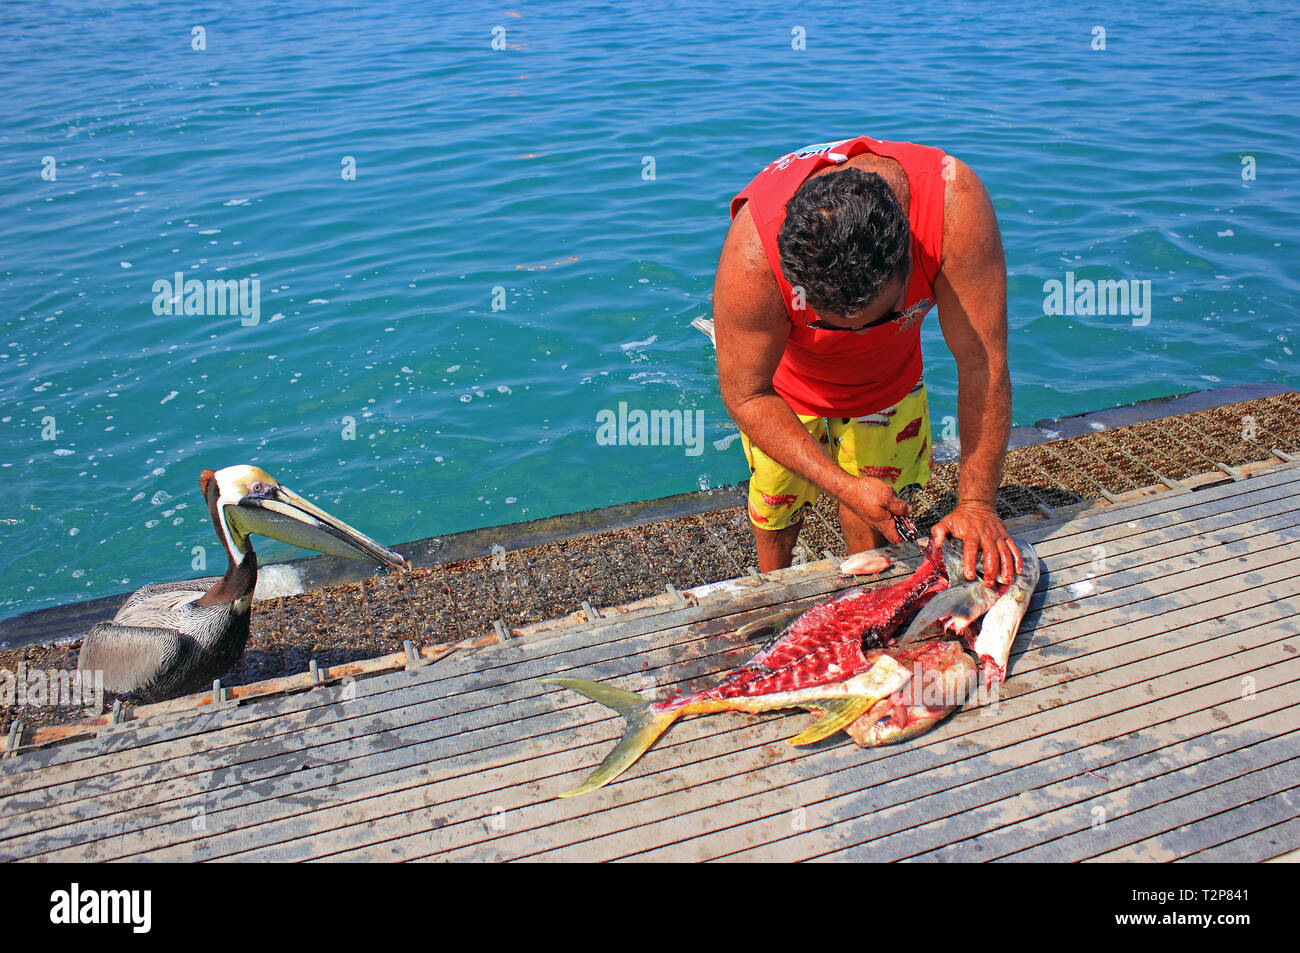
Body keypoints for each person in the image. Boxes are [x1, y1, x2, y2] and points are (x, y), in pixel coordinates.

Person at [712, 135, 1021, 585]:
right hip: (785, 389)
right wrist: (841, 484)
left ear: (911, 265)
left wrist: (976, 505)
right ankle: (771, 587)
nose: (855, 338)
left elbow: (982, 361)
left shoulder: (953, 208)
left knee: (874, 517)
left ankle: (873, 592)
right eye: (835, 324)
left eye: (883, 316)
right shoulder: (753, 255)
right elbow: (746, 393)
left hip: (889, 383)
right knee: (775, 504)